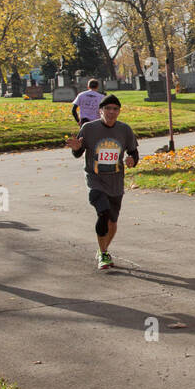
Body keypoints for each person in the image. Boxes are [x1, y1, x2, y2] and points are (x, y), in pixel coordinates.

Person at [66, 94, 139, 270]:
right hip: (95, 179)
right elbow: (78, 152)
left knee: (112, 222)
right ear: (100, 111)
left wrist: (131, 161)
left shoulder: (125, 130)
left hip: (115, 182)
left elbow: (133, 153)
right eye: (108, 108)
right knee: (103, 213)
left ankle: (103, 250)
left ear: (119, 111)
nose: (111, 112)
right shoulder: (89, 128)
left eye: (115, 109)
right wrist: (76, 149)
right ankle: (104, 253)